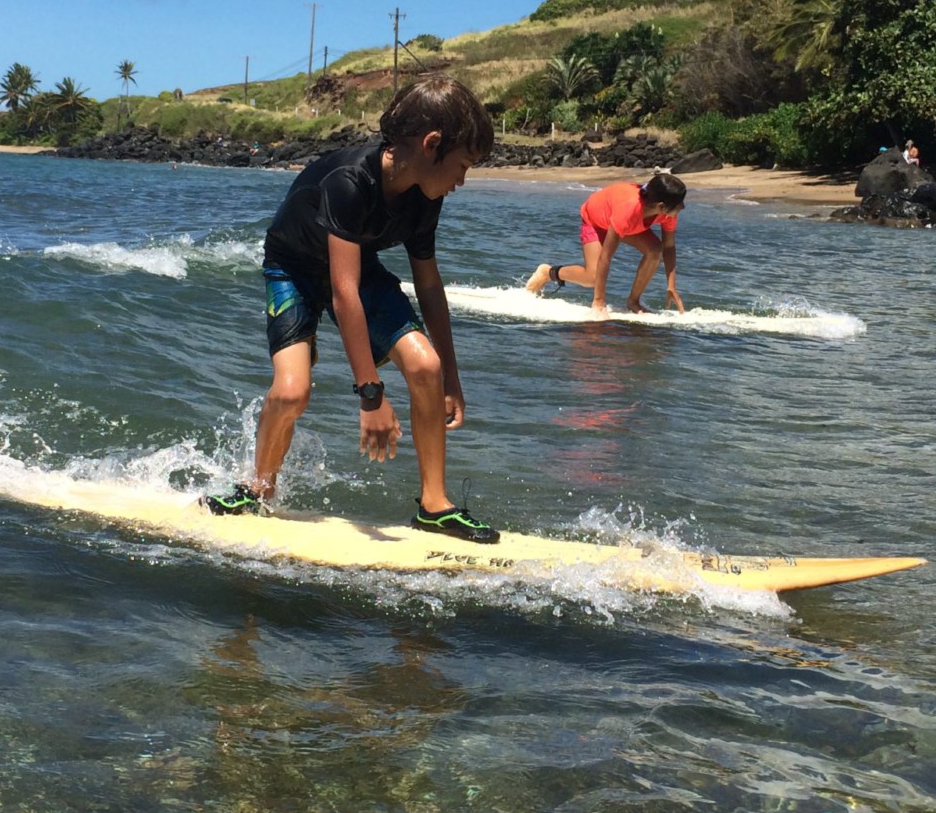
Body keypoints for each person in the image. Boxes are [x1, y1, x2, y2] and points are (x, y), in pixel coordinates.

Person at [207, 73, 498, 544]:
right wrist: (371, 395)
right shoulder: (351, 182)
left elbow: (429, 284)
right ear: (431, 144)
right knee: (291, 393)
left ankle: (434, 506)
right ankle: (256, 488)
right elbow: (344, 295)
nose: (462, 180)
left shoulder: (426, 195)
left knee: (426, 366)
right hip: (294, 269)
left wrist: (452, 379)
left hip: (356, 267)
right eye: (463, 165)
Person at [525, 172, 687, 314]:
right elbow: (606, 257)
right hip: (595, 220)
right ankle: (548, 273)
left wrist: (671, 285)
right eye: (680, 203)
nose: (683, 206)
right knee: (592, 278)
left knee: (654, 250)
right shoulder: (629, 211)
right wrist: (599, 301)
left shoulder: (668, 214)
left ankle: (633, 302)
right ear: (662, 206)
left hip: (621, 219)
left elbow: (669, 247)